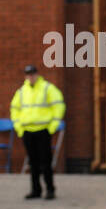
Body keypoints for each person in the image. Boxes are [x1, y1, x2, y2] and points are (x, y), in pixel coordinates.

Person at [10, 64, 65, 200]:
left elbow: (59, 105)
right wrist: (19, 128)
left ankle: (50, 189)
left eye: (32, 74)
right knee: (33, 162)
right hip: (27, 131)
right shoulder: (21, 91)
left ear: (37, 74)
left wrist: (52, 126)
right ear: (25, 76)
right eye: (28, 74)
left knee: (45, 162)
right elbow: (14, 109)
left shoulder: (47, 88)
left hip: (43, 130)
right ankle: (35, 190)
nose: (31, 77)